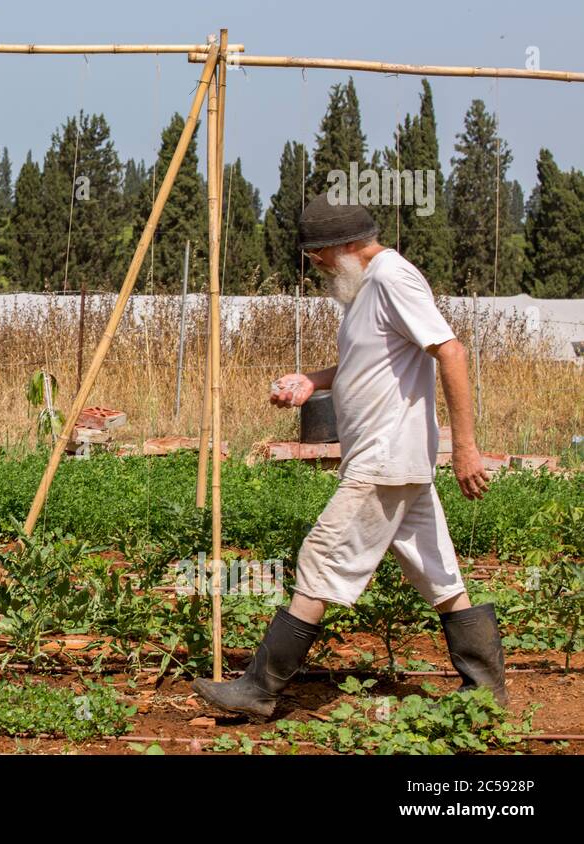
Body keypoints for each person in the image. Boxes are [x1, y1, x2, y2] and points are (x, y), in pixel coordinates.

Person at [191, 192, 507, 719]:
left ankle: (259, 690)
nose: (314, 263)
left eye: (318, 254)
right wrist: (309, 380)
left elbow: (449, 350)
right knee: (440, 576)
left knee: (320, 557)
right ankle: (485, 691)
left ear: (346, 244)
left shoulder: (391, 278)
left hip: (383, 458)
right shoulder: (366, 289)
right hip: (395, 461)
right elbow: (367, 364)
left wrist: (466, 448)